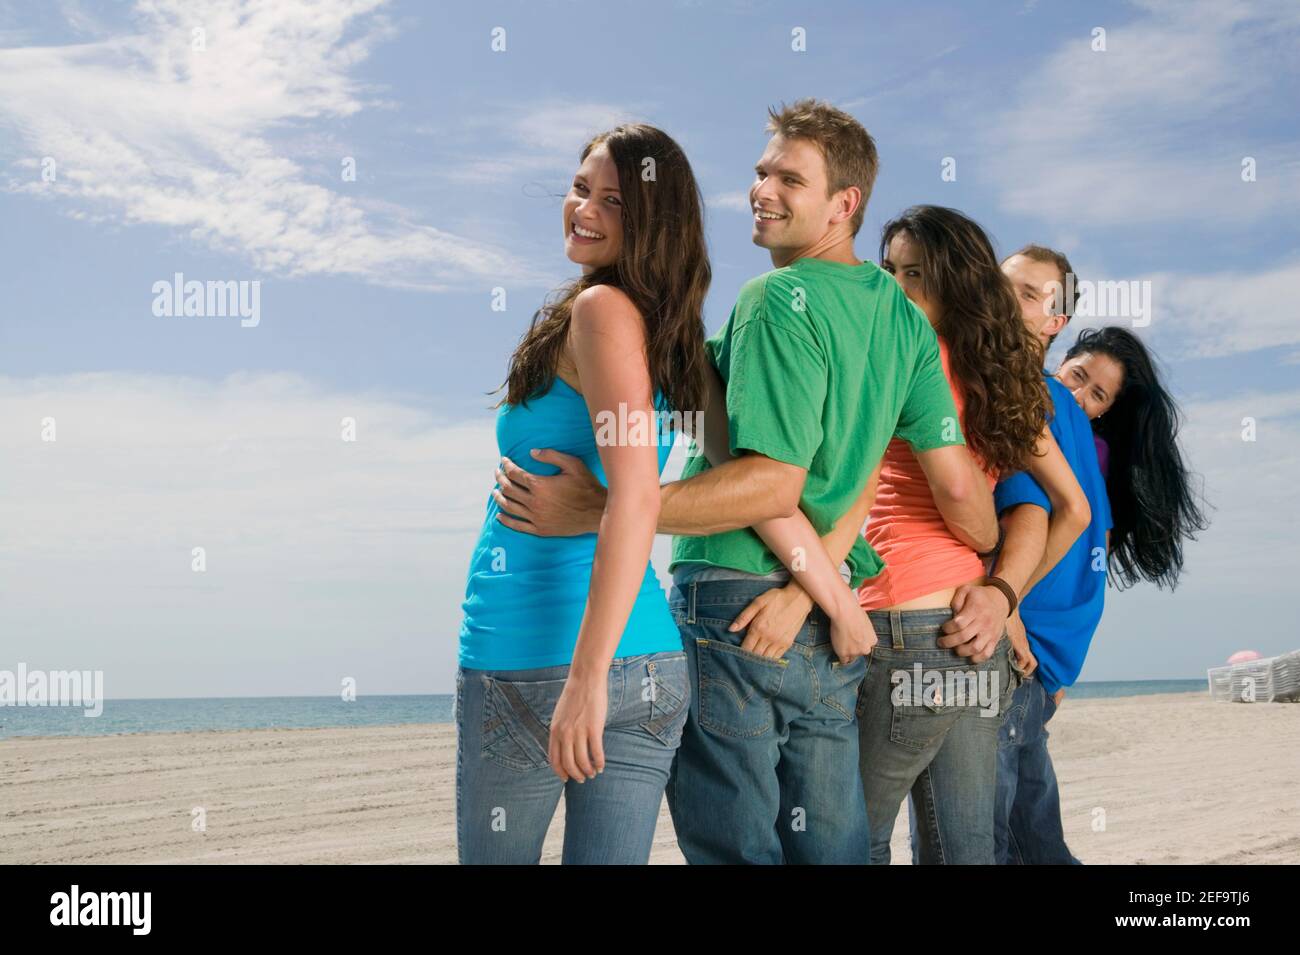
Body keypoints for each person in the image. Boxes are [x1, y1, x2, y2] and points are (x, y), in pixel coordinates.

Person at [493, 100, 985, 864]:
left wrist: (604, 507)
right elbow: (873, 469)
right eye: (761, 171)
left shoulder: (768, 303)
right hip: (823, 618)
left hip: (729, 598)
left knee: (734, 848)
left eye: (790, 178)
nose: (762, 189)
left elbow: (767, 482)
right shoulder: (905, 320)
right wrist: (825, 588)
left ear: (844, 204)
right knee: (836, 849)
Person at [728, 207, 1089, 864]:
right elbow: (1072, 509)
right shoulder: (1004, 379)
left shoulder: (899, 360)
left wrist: (803, 597)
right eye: (889, 269)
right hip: (973, 644)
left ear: (956, 282)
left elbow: (871, 492)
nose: (894, 286)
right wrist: (1003, 594)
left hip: (902, 627)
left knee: (841, 843)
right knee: (966, 849)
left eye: (915, 273)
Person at [455, 123, 710, 864]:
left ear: (654, 222)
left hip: (538, 659)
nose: (584, 209)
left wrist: (585, 678)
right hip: (651, 667)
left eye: (614, 200)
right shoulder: (669, 334)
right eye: (579, 189)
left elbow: (635, 496)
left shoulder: (601, 312)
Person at [992, 247, 1207, 864]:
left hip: (1025, 648)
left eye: (1100, 396)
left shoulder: (1059, 426)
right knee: (1029, 829)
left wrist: (1008, 607)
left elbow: (1077, 551)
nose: (1082, 395)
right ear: (1062, 357)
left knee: (1002, 830)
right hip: (1041, 660)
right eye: (1079, 375)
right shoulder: (1057, 419)